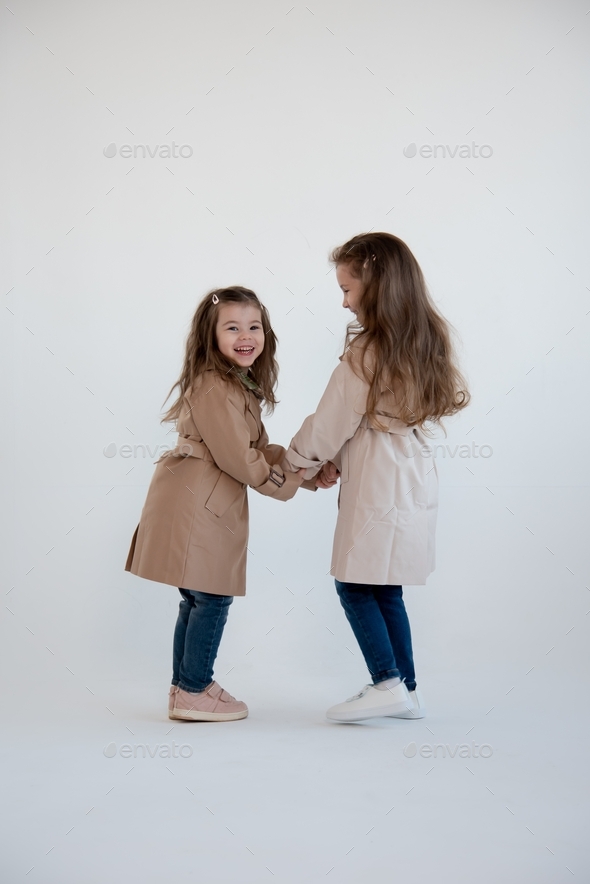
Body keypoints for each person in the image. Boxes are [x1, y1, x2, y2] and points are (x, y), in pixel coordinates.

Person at [283, 232, 470, 722]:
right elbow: (376, 418)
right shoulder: (425, 340)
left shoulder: (367, 351)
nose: (344, 302)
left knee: (353, 584)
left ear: (378, 285)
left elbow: (330, 421)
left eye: (348, 289)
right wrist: (338, 458)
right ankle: (407, 689)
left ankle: (386, 681)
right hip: (410, 474)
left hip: (378, 482)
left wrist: (294, 464)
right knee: (386, 585)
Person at [125, 286, 310, 722]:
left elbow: (259, 449)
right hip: (198, 501)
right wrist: (288, 484)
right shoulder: (214, 384)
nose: (246, 335)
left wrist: (308, 471)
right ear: (211, 336)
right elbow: (238, 458)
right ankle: (194, 688)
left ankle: (185, 686)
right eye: (232, 327)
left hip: (201, 497)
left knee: (197, 596)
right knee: (211, 595)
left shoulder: (236, 385)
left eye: (254, 326)